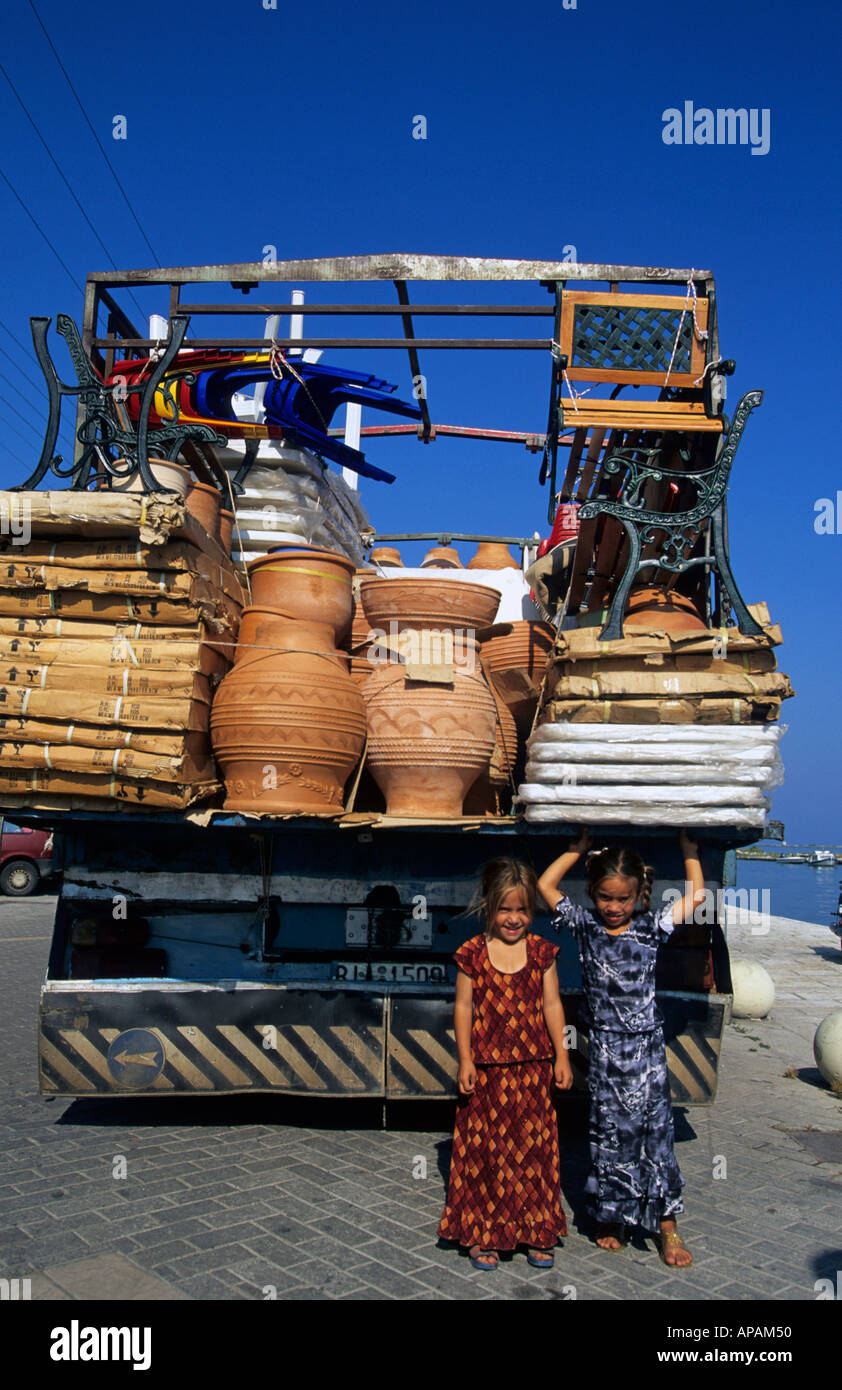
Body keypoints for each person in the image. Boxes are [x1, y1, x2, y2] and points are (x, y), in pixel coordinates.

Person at [537, 828, 705, 1268]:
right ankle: (612, 1218)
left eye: (623, 900)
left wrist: (689, 851)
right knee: (610, 1136)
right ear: (594, 894)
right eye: (606, 898)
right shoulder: (585, 925)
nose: (613, 908)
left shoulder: (651, 928)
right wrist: (574, 850)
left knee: (655, 1138)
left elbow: (698, 895)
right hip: (607, 1054)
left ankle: (668, 1228)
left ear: (640, 896)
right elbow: (545, 887)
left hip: (646, 1054)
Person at [438, 858, 574, 1270]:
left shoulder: (542, 952)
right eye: (505, 909)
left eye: (522, 910)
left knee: (533, 1152)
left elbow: (552, 1004)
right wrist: (465, 1059)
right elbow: (464, 1007)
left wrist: (562, 1055)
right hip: (488, 1074)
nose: (514, 919)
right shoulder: (473, 954)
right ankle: (484, 1234)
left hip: (532, 1072)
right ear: (488, 906)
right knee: (486, 1156)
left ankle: (536, 1231)